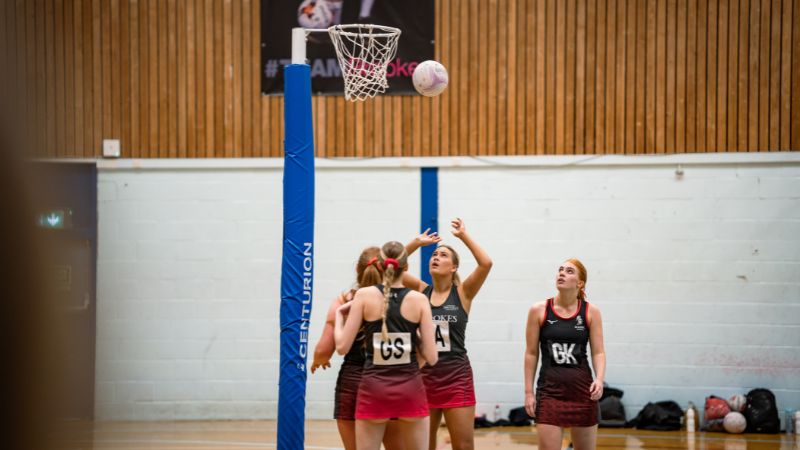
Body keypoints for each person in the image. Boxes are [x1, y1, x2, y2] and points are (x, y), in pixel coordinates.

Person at [334, 241, 438, 450]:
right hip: (410, 387)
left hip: (374, 388)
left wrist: (338, 315)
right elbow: (432, 357)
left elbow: (342, 347)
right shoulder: (419, 299)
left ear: (380, 266)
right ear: (406, 268)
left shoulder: (364, 295)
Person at [403, 218, 493, 450]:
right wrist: (415, 243)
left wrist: (463, 236)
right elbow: (389, 267)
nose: (436, 257)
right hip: (423, 378)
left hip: (456, 377)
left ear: (453, 267)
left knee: (463, 446)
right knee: (423, 445)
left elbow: (486, 263)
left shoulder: (463, 293)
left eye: (443, 255)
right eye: (434, 255)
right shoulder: (422, 291)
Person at [311, 246, 406, 450]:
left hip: (354, 382)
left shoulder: (345, 300)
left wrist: (319, 359)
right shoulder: (401, 299)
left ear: (357, 269)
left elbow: (324, 349)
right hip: (391, 382)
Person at [523, 259, 606, 450]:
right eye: (560, 270)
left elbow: (599, 352)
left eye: (569, 271)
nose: (562, 273)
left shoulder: (590, 312)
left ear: (580, 283)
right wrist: (529, 392)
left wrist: (600, 379)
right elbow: (531, 353)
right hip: (550, 393)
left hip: (583, 393)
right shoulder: (539, 310)